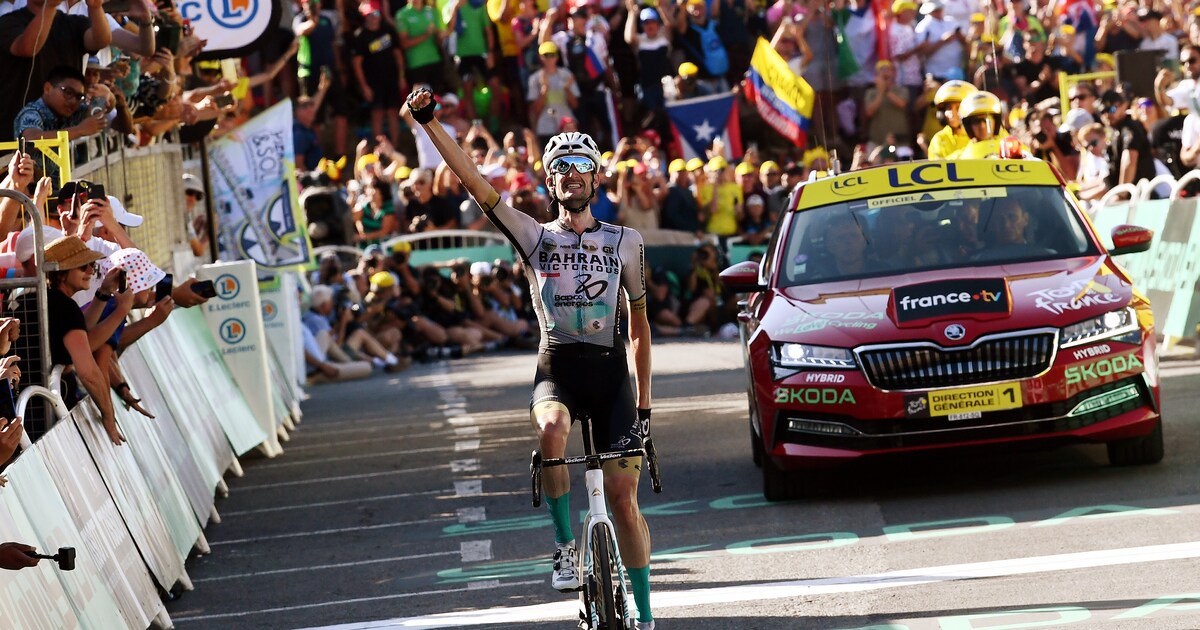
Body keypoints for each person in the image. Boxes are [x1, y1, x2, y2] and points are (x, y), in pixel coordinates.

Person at [404, 87, 656, 630]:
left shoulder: (626, 242)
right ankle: (566, 545)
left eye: (581, 167)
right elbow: (476, 183)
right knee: (550, 434)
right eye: (560, 167)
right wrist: (429, 124)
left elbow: (639, 326)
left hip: (612, 379)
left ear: (595, 178)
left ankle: (646, 612)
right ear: (550, 181)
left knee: (624, 501)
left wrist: (647, 406)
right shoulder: (534, 239)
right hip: (558, 371)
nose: (571, 175)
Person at [926, 79, 976, 159]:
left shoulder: (987, 132)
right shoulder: (939, 139)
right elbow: (938, 167)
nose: (952, 113)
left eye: (958, 108)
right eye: (949, 108)